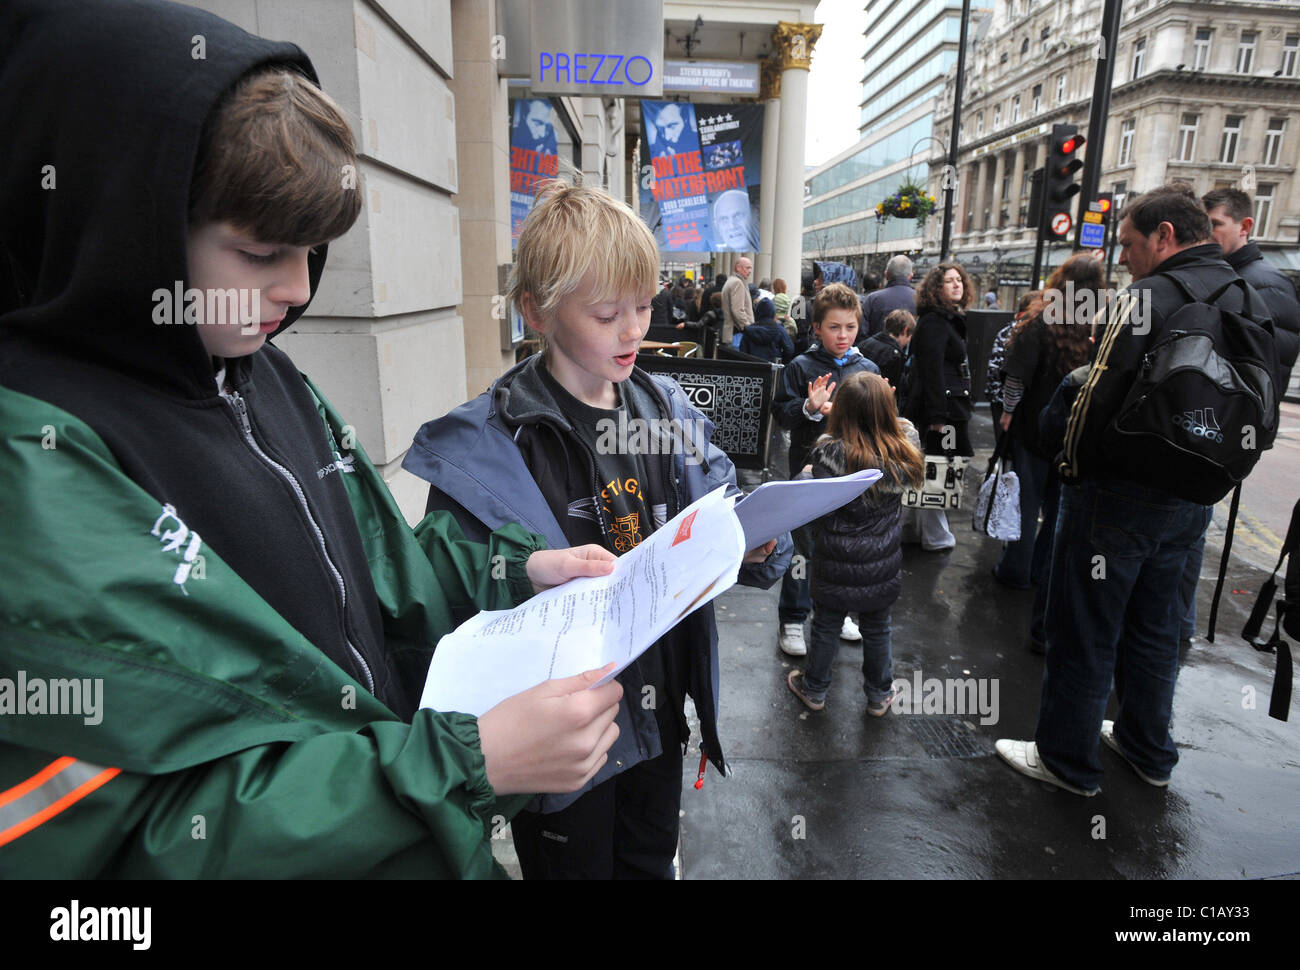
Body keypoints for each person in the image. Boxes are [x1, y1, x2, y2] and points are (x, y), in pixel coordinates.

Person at [0, 0, 624, 878]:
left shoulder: (262, 374)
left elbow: (376, 576)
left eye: (314, 250)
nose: (297, 291)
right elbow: (113, 848)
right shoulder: (34, 462)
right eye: (260, 253)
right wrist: (461, 765)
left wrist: (512, 573)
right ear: (123, 225)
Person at [403, 180, 790, 879]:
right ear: (535, 312)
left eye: (644, 306)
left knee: (648, 863)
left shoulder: (664, 404)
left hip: (660, 710)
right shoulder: (489, 444)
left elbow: (721, 500)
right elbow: (449, 594)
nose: (635, 330)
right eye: (609, 312)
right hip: (562, 737)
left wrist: (758, 541)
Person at [996, 184, 1267, 795]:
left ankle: (1067, 760)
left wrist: (1071, 466)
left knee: (1085, 628)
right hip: (1195, 494)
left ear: (1164, 236)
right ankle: (1148, 749)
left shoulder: (1148, 296)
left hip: (1119, 494)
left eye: (1128, 244)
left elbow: (1095, 398)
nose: (1122, 258)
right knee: (1154, 629)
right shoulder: (1244, 291)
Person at [786, 373, 924, 714]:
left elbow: (809, 495)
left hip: (834, 560)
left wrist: (804, 474)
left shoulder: (828, 453)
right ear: (888, 410)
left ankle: (814, 690)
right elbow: (902, 427)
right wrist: (884, 407)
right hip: (881, 562)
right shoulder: (905, 448)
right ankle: (879, 695)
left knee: (826, 625)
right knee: (878, 628)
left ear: (841, 413)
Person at [773, 283, 881, 656]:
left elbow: (880, 423)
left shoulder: (867, 369)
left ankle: (835, 611)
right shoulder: (800, 366)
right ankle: (792, 616)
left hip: (851, 478)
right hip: (808, 473)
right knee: (802, 546)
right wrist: (807, 407)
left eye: (849, 327)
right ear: (817, 327)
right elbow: (781, 416)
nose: (842, 335)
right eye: (834, 327)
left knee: (842, 549)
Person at [992, 255, 1102, 592]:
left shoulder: (1038, 322)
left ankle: (1015, 570)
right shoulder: (1099, 324)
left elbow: (1016, 380)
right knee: (1059, 511)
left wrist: (1008, 413)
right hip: (1075, 431)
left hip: (1033, 428)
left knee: (1025, 504)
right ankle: (1043, 571)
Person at [901, 262, 976, 552]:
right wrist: (937, 416)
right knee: (938, 468)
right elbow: (931, 371)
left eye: (959, 279)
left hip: (947, 406)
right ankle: (934, 534)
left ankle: (916, 529)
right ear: (936, 288)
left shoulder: (945, 319)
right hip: (943, 410)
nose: (957, 284)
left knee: (935, 467)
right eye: (949, 281)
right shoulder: (935, 321)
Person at [1203, 188, 1300, 389]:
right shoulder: (1216, 275)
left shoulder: (1270, 284)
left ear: (1245, 227)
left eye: (1215, 224)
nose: (1206, 233)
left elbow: (1270, 368)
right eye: (1202, 225)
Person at [860, 255, 916, 342]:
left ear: (886, 275)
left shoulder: (872, 299)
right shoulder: (922, 300)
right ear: (911, 276)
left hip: (874, 354)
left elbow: (861, 334)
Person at [861, 308, 915, 392]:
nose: (908, 341)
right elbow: (893, 388)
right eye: (910, 336)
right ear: (905, 330)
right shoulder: (895, 356)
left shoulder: (865, 343)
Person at [740, 297, 794, 363]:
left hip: (752, 369)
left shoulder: (748, 331)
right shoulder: (779, 329)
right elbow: (789, 349)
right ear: (773, 313)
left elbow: (742, 354)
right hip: (773, 369)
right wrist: (781, 362)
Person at [720, 256, 755, 344]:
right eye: (747, 268)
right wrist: (748, 328)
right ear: (738, 268)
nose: (750, 271)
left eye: (750, 268)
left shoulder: (731, 281)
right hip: (737, 334)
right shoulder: (737, 283)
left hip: (733, 333)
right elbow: (737, 310)